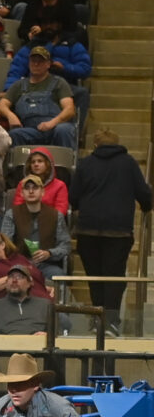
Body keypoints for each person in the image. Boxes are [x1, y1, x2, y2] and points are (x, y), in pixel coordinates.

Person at [69, 130, 153, 328]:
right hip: (118, 231)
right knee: (114, 277)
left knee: (94, 277)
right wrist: (147, 207)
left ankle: (97, 318)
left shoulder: (85, 163)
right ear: (117, 144)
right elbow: (143, 193)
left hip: (88, 229)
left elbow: (73, 196)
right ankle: (111, 321)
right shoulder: (129, 163)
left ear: (95, 145)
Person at [0, 47, 76, 148]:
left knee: (64, 130)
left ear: (48, 64)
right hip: (30, 130)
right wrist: (11, 115)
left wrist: (52, 123)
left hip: (54, 127)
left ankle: (64, 158)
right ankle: (19, 159)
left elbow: (70, 109)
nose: (36, 64)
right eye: (33, 61)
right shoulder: (19, 85)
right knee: (15, 134)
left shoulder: (59, 83)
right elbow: (1, 106)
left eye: (40, 61)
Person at [0, 262, 49, 333]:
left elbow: (54, 331)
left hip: (37, 340)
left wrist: (46, 336)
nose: (14, 280)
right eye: (11, 277)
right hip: (6, 340)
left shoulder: (44, 305)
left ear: (29, 283)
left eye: (19, 277)